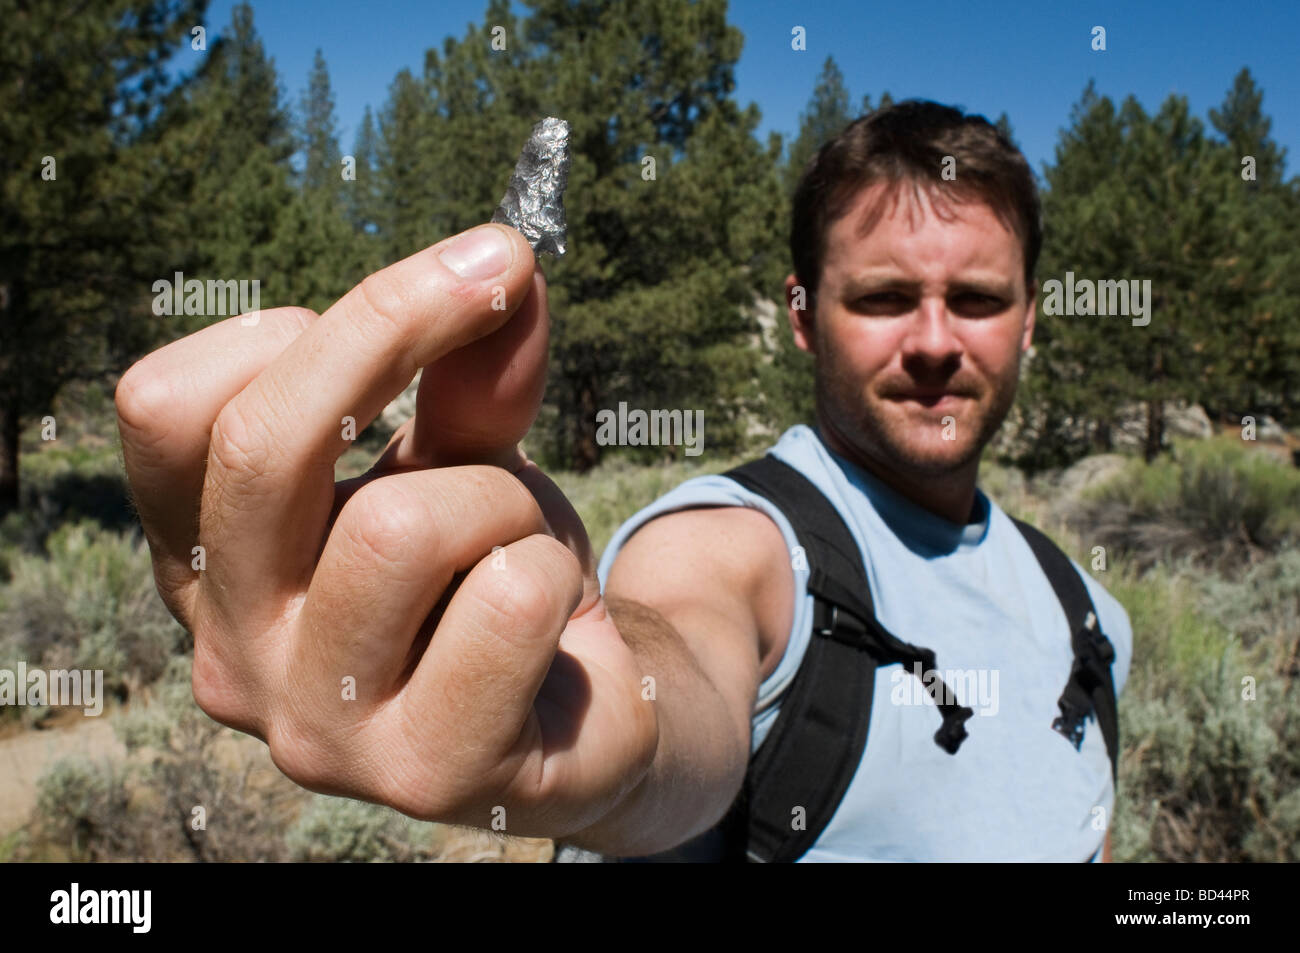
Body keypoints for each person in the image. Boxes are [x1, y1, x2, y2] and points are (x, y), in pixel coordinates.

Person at [116, 99, 1130, 863]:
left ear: (1031, 317)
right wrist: (602, 727)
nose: (934, 341)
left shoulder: (1086, 613)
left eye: (979, 298)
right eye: (883, 296)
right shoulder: (737, 544)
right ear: (801, 315)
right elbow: (671, 670)